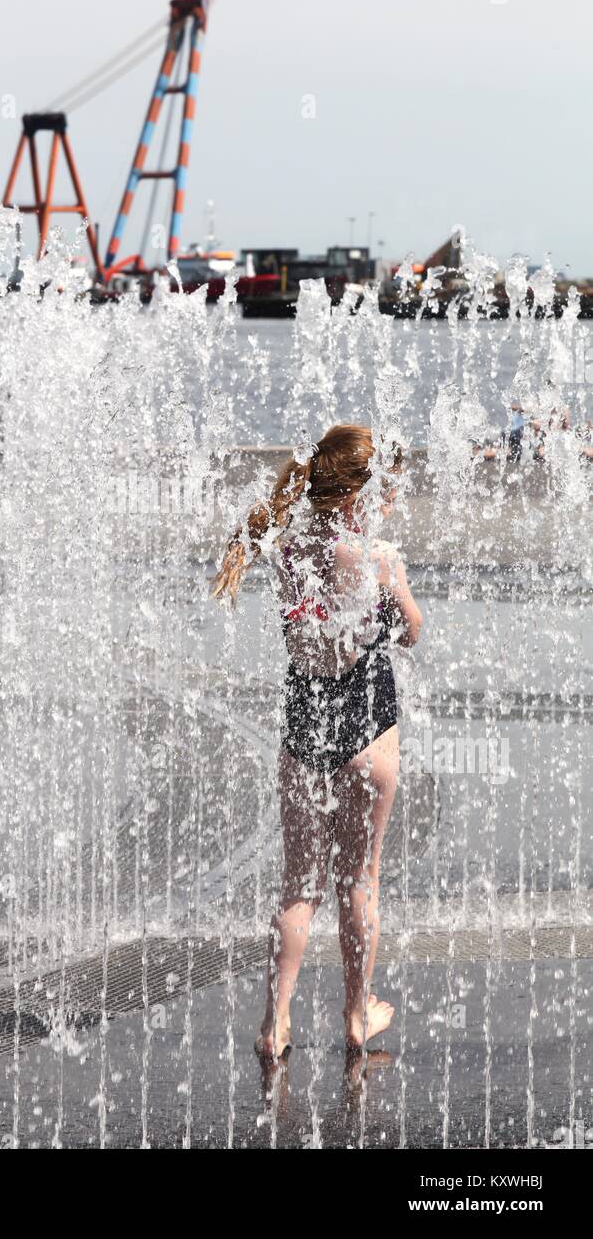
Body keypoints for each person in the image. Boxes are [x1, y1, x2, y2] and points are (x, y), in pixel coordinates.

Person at [211, 424, 422, 1060]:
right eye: (383, 486)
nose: (390, 498)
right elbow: (412, 631)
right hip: (365, 720)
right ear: (358, 490)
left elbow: (306, 621)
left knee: (298, 884)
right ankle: (358, 1015)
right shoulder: (378, 555)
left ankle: (274, 1026)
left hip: (305, 718)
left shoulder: (287, 547)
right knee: (358, 881)